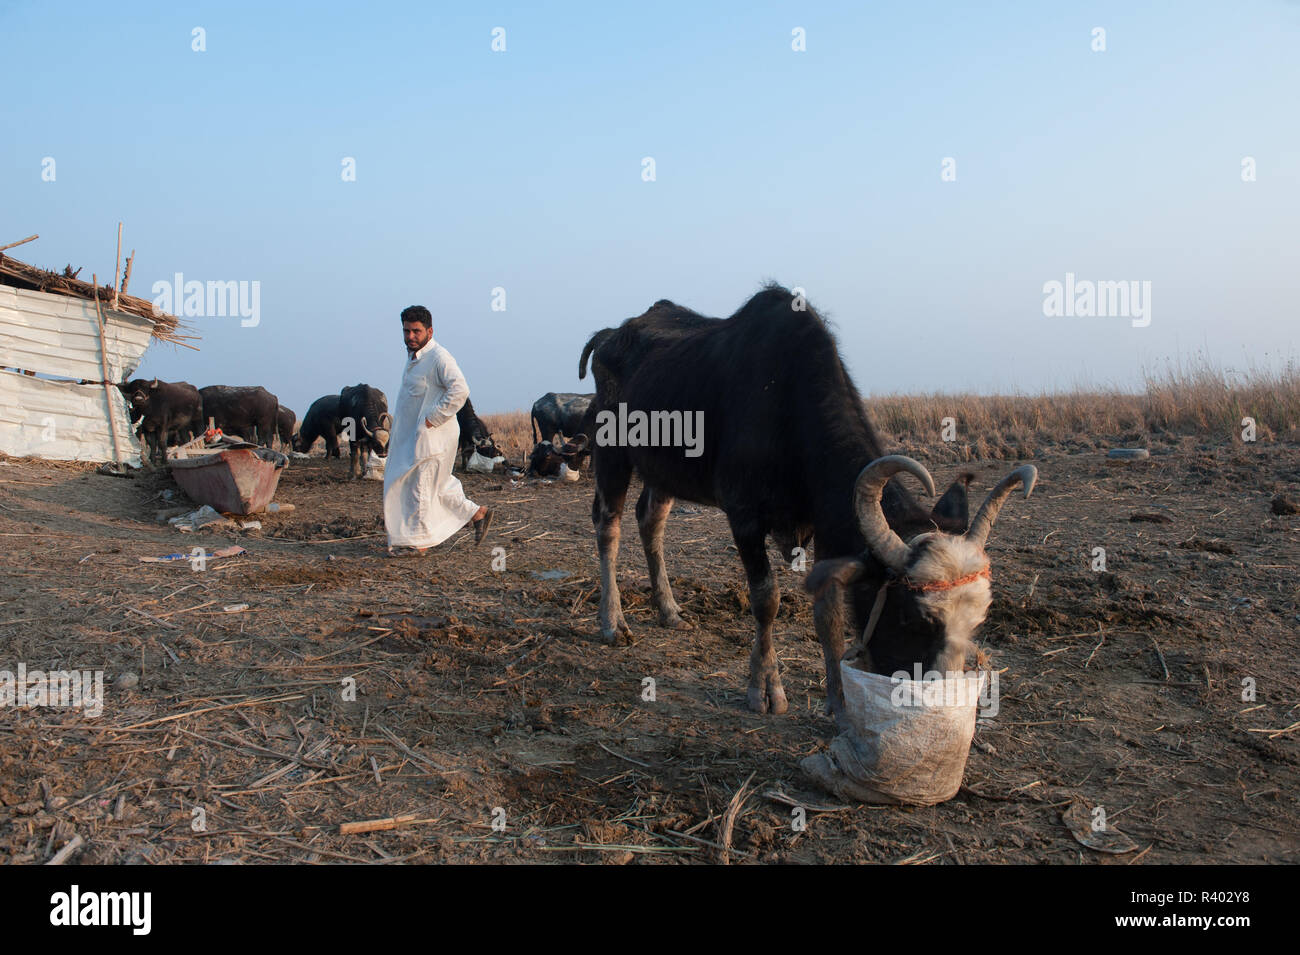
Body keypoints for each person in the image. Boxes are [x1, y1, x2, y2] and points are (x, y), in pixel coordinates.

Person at [383, 305, 492, 554]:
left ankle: (418, 544)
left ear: (430, 331)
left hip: (433, 437)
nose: (410, 336)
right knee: (438, 485)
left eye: (416, 331)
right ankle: (477, 513)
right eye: (406, 331)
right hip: (413, 436)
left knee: (419, 487)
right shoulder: (414, 358)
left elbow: (460, 389)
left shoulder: (439, 358)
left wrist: (433, 418)